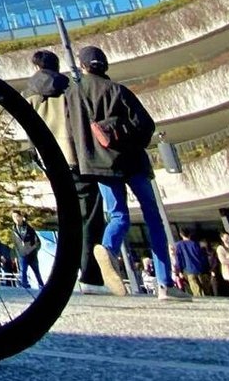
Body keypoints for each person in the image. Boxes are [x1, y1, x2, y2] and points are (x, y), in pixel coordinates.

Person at [64, 46, 188, 301]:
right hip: (131, 161)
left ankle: (108, 248)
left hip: (98, 164)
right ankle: (165, 284)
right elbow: (146, 125)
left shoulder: (73, 94)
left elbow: (72, 132)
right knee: (153, 217)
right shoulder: (118, 90)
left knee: (118, 214)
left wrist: (81, 161)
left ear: (83, 66)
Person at [27, 48, 105, 292]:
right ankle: (90, 276)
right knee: (90, 214)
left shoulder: (27, 93)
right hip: (76, 155)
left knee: (66, 216)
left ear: (36, 67)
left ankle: (64, 274)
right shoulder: (70, 87)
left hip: (51, 159)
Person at [12, 215, 43, 289]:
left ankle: (41, 285)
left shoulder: (29, 228)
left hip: (31, 254)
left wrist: (33, 249)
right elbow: (14, 243)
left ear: (21, 217)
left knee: (36, 271)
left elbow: (37, 242)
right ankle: (24, 286)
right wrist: (16, 253)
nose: (16, 219)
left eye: (17, 216)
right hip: (22, 254)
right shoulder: (14, 229)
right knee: (23, 271)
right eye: (14, 217)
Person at [172, 231, 207, 297]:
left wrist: (179, 270)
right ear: (190, 234)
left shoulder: (179, 245)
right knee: (205, 288)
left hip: (189, 270)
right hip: (200, 269)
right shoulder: (195, 244)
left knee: (196, 290)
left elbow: (179, 259)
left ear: (181, 235)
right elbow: (202, 257)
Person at [216, 232, 229, 297]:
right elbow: (223, 260)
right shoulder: (220, 248)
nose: (228, 239)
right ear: (222, 239)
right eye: (226, 238)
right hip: (228, 270)